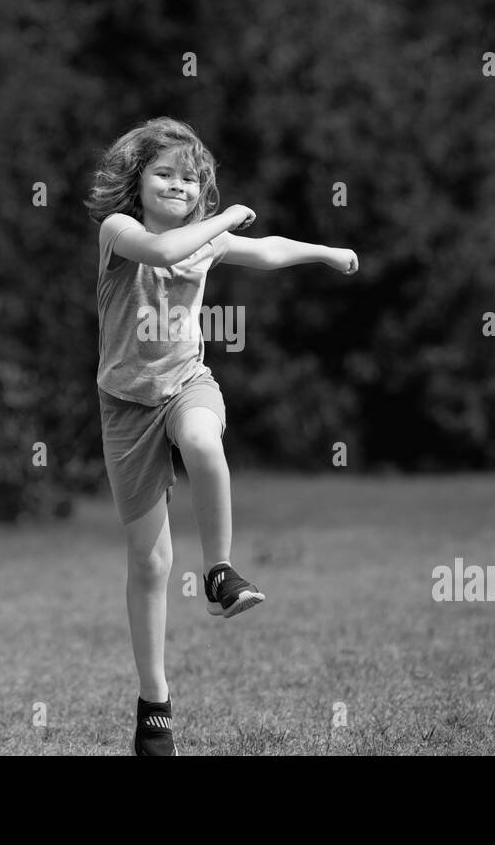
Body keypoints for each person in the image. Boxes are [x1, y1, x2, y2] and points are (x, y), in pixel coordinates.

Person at [86, 116, 359, 755]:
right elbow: (163, 252)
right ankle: (154, 703)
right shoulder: (119, 232)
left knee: (206, 444)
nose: (177, 186)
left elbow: (265, 251)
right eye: (164, 174)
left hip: (186, 383)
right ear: (138, 180)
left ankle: (219, 575)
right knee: (150, 563)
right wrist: (224, 218)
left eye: (189, 178)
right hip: (125, 408)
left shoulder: (205, 238)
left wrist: (323, 253)